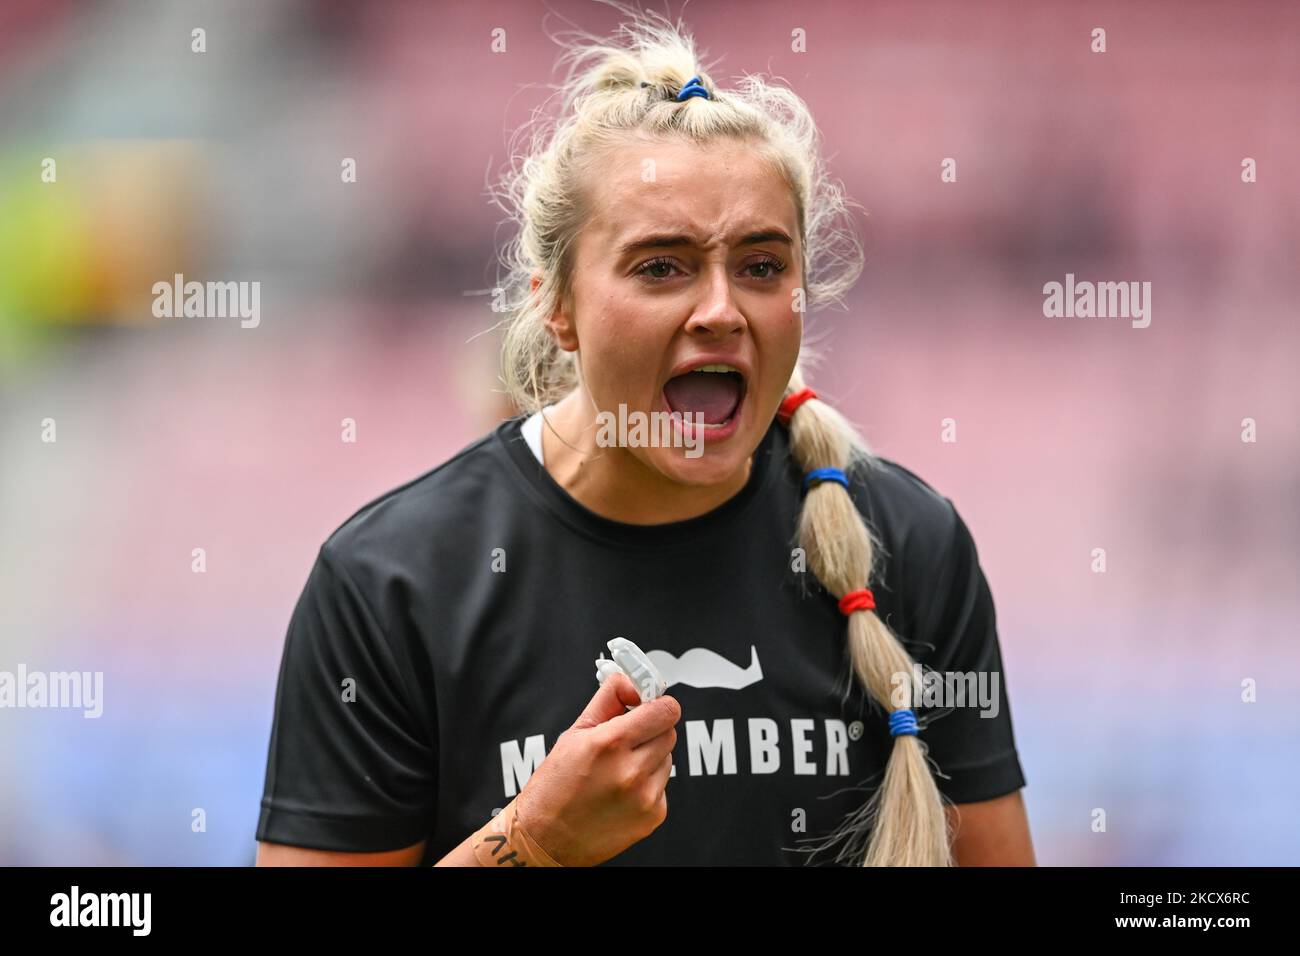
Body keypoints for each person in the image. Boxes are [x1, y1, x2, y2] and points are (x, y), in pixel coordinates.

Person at [255, 6, 1034, 867]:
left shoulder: (911, 548)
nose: (720, 310)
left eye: (762, 266)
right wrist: (534, 844)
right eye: (661, 265)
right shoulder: (390, 583)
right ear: (555, 304)